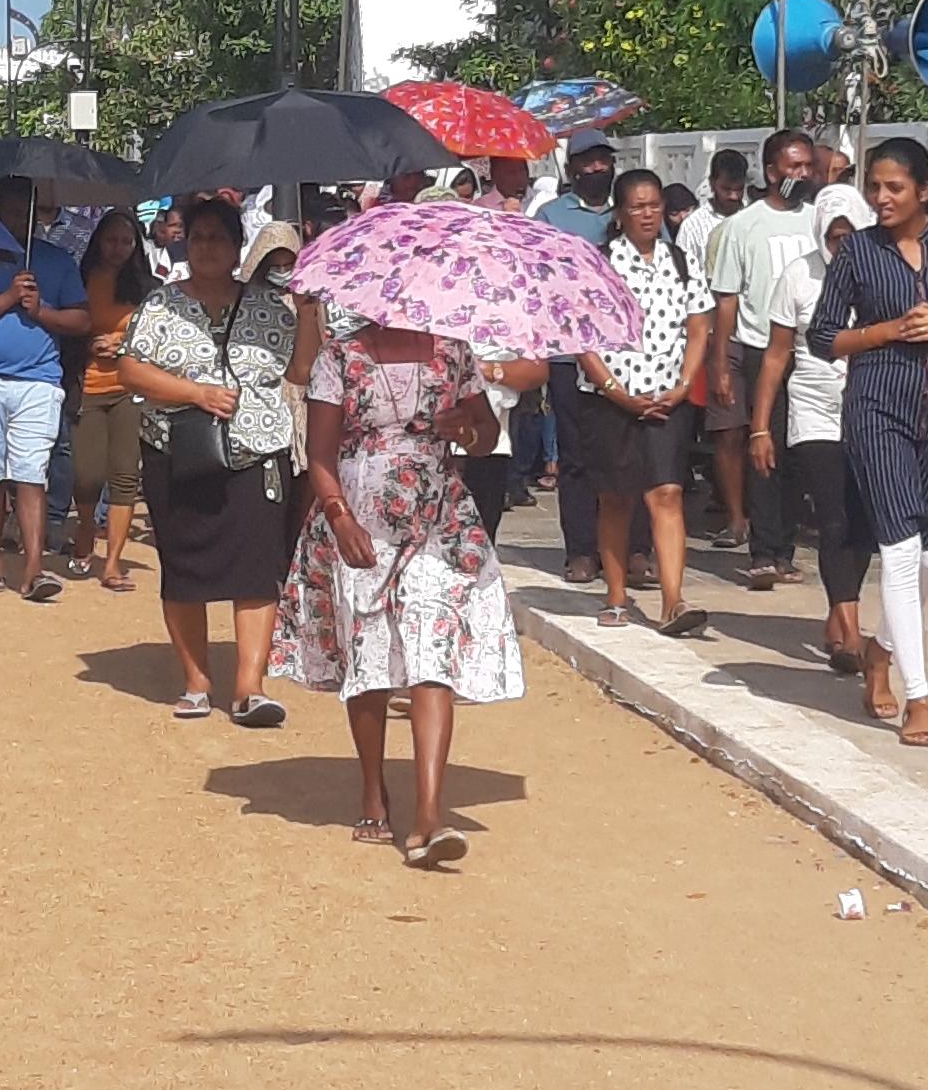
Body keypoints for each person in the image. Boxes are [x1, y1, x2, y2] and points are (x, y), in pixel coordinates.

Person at [281, 305, 524, 868]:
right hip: (360, 516)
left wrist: (467, 427)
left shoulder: (453, 352)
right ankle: (373, 787)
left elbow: (486, 437)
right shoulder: (339, 356)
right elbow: (319, 453)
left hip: (438, 517)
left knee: (431, 650)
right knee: (370, 655)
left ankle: (430, 814)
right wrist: (339, 518)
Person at [807, 137, 928, 745]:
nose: (881, 198)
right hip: (876, 405)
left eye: (893, 188)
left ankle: (881, 649)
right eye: (874, 187)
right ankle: (921, 698)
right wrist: (883, 332)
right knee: (899, 547)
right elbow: (822, 337)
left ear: (923, 191)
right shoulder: (858, 252)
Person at [126, 190, 303, 723]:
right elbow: (132, 371)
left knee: (256, 568)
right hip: (177, 451)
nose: (206, 248)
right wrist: (195, 394)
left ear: (236, 246)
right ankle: (196, 680)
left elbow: (298, 370)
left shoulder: (271, 306)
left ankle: (249, 685)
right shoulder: (161, 303)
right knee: (183, 566)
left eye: (217, 238)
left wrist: (312, 309)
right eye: (197, 237)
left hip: (256, 452)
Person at [577, 170, 713, 638]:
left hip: (667, 399)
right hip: (611, 399)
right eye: (637, 206)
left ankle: (673, 601)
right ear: (619, 214)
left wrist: (685, 383)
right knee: (616, 498)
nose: (648, 214)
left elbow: (698, 326)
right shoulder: (599, 264)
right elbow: (584, 339)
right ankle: (616, 594)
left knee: (668, 493)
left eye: (654, 204)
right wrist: (616, 391)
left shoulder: (682, 261)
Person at [754, 183, 877, 675]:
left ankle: (837, 605)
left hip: (869, 406)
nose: (840, 246)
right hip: (813, 407)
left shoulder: (881, 276)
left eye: (850, 236)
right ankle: (851, 632)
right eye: (833, 237)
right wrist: (760, 427)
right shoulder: (798, 276)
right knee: (833, 518)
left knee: (864, 520)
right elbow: (776, 355)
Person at [0, 178, 88, 603]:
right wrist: (7, 298)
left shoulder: (57, 261)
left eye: (24, 211)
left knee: (32, 474)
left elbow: (82, 321)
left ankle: (34, 566)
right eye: (8, 210)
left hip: (38, 380)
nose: (16, 220)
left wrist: (41, 310)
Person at [704, 130, 821, 589]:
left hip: (812, 352)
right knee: (765, 449)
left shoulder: (817, 221)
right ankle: (765, 552)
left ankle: (787, 548)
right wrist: (720, 365)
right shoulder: (743, 227)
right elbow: (726, 299)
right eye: (793, 167)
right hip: (760, 350)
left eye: (807, 166)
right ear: (771, 173)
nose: (803, 174)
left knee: (799, 455)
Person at [534, 139, 618, 578]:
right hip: (568, 355)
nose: (597, 168)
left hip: (624, 355)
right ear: (574, 168)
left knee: (625, 458)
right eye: (588, 162)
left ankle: (630, 551)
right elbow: (536, 278)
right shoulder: (551, 217)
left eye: (604, 160)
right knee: (577, 456)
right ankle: (581, 550)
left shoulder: (629, 209)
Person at [62, 207, 152, 593]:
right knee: (86, 475)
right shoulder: (80, 280)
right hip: (87, 387)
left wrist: (124, 343)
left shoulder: (148, 288)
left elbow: (160, 337)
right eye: (112, 239)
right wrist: (88, 341)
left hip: (130, 389)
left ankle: (112, 562)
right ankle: (85, 525)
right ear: (98, 240)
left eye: (127, 241)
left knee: (124, 476)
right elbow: (66, 328)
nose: (118, 248)